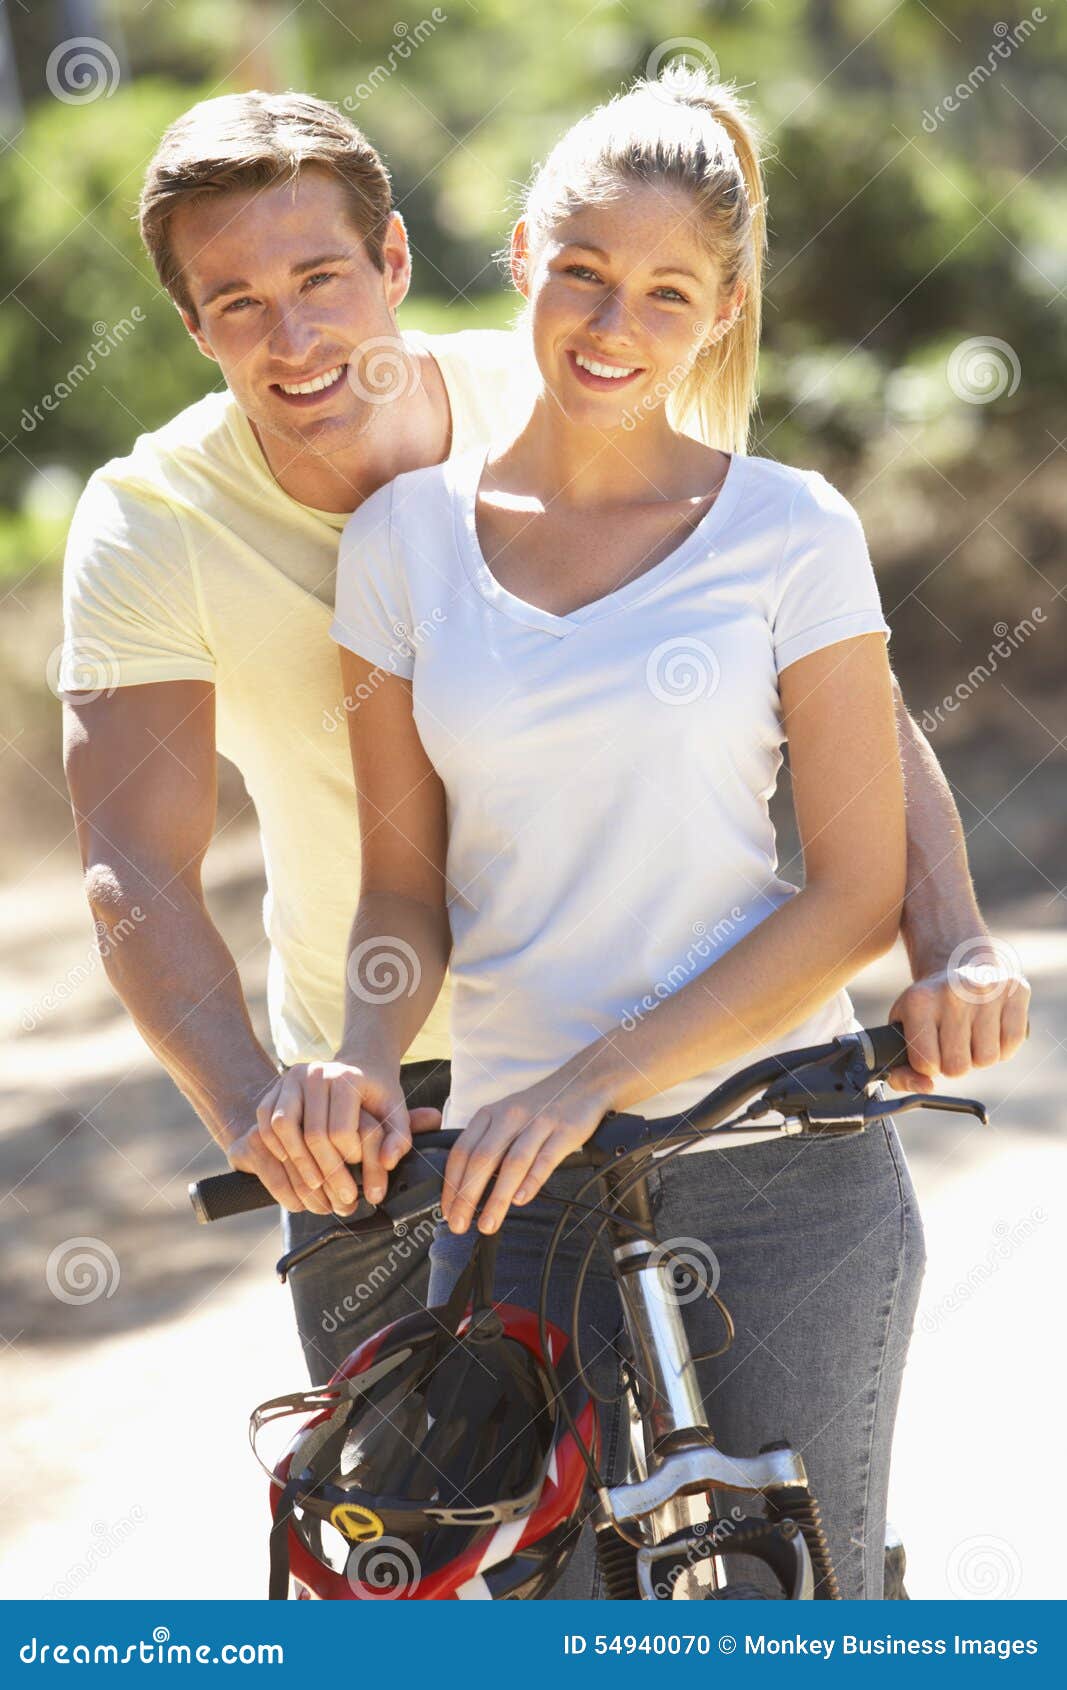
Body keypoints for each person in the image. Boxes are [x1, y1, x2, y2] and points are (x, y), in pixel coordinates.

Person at [60, 90, 1027, 1412]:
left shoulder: (569, 366)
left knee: (746, 1501)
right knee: (430, 1517)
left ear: (393, 260)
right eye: (237, 303)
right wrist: (258, 1114)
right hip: (382, 1102)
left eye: (321, 278)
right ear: (191, 324)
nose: (294, 339)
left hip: (668, 1039)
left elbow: (824, 672)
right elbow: (134, 866)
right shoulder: (153, 524)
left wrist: (952, 935)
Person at [318, 68, 1028, 1599]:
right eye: (581, 270)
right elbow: (400, 890)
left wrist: (592, 1077)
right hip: (511, 1185)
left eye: (665, 292)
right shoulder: (401, 543)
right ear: (522, 255)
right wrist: (365, 1053)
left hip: (773, 1155)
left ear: (723, 312)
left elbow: (853, 891)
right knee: (540, 1623)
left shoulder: (791, 530)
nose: (611, 322)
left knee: (793, 1623)